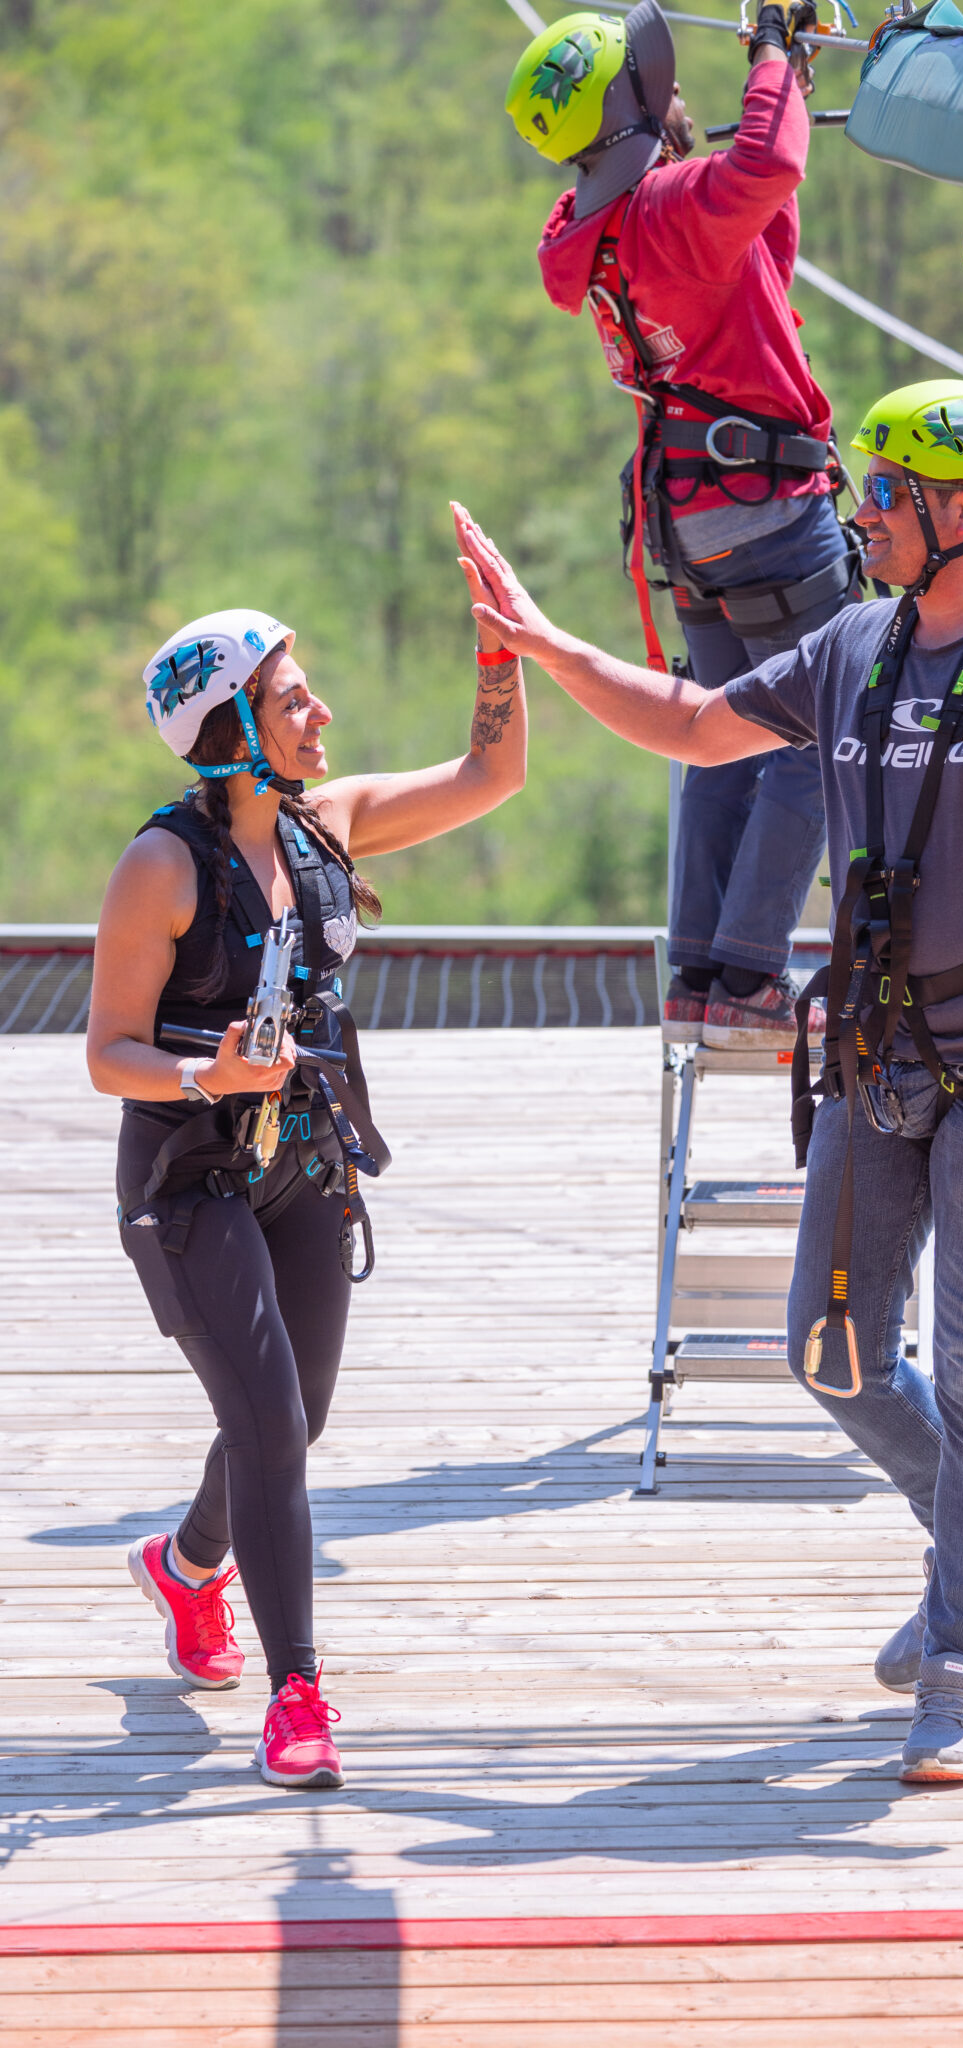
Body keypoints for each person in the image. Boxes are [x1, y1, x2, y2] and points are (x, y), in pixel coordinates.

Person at [457, 378, 963, 1783]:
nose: (859, 511)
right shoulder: (850, 645)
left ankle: (959, 1664)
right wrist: (546, 646)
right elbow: (689, 723)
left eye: (885, 492)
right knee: (829, 1350)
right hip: (875, 1060)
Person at [87, 513, 525, 1789]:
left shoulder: (327, 825)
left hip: (305, 1164)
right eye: (292, 696)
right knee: (270, 1420)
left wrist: (501, 658)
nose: (320, 711)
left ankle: (185, 1563)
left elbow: (486, 780)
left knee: (299, 1414)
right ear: (233, 727)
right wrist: (200, 1072)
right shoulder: (160, 869)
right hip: (188, 1177)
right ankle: (297, 1694)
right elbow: (106, 1049)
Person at [506, 0, 862, 1048]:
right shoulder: (672, 210)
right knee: (814, 733)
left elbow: (762, 239)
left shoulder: (589, 231)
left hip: (691, 524)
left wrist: (778, 81)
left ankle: (701, 971)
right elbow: (765, 169)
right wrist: (770, 54)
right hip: (769, 518)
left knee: (720, 741)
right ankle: (749, 971)